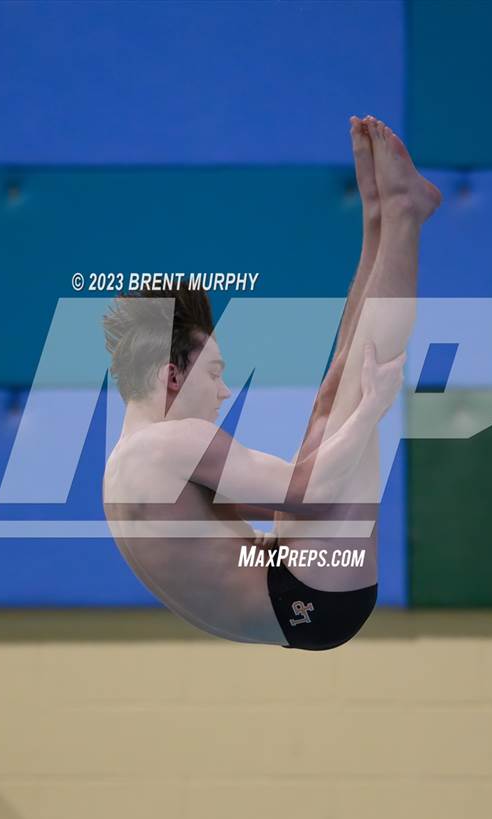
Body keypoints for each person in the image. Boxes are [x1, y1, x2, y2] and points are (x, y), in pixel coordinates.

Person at [102, 116, 441, 650]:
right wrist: (371, 411)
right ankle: (400, 214)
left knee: (333, 398)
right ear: (171, 376)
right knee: (356, 392)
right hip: (311, 597)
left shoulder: (122, 467)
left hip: (294, 593)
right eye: (213, 373)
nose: (223, 392)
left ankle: (379, 217)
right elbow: (313, 495)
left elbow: (275, 504)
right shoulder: (174, 442)